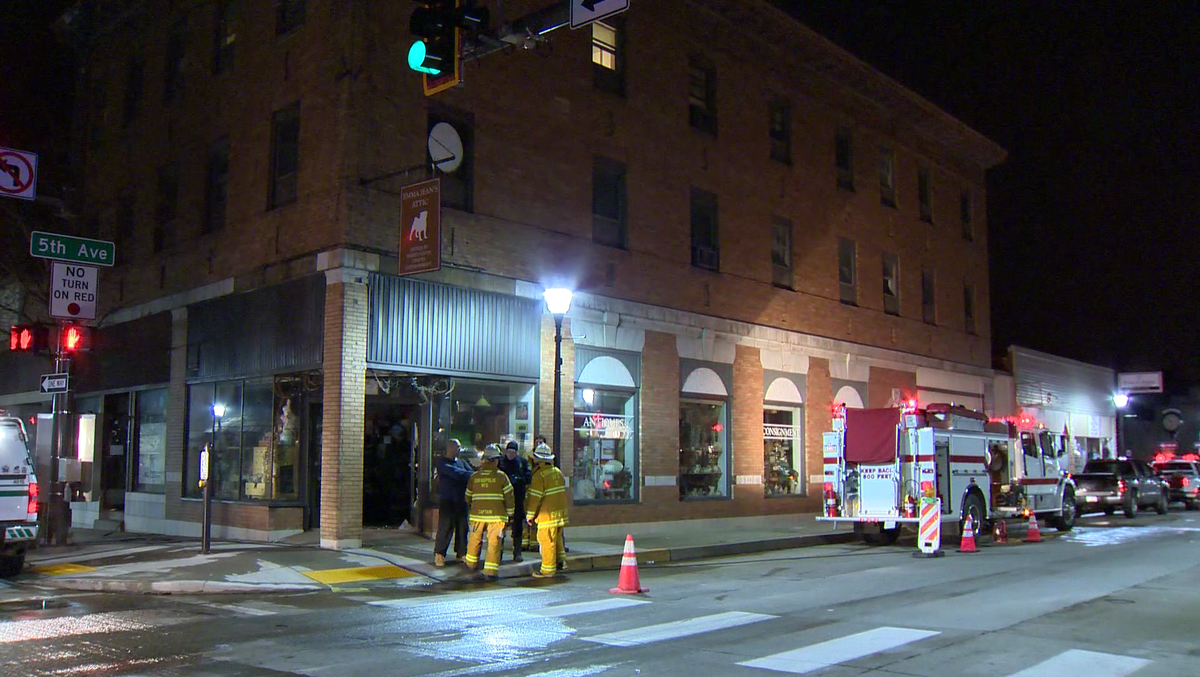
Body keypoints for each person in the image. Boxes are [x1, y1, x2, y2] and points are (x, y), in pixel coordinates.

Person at [463, 444, 515, 581]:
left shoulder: (474, 477)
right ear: (494, 460)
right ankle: (490, 571)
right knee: (494, 543)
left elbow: (467, 497)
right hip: (497, 517)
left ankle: (471, 563)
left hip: (477, 515)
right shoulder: (501, 477)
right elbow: (509, 497)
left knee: (474, 539)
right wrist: (510, 514)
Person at [526, 443, 569, 578]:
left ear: (537, 459)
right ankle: (561, 562)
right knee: (557, 540)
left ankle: (547, 570)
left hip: (547, 516)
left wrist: (530, 515)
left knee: (546, 541)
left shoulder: (539, 476)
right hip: (560, 514)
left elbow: (535, 499)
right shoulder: (557, 472)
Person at [433, 438, 474, 567]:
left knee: (462, 528)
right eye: (457, 447)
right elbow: (457, 474)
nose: (459, 450)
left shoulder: (462, 462)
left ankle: (461, 553)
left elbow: (471, 473)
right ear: (450, 448)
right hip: (448, 501)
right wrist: (467, 475)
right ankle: (439, 554)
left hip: (461, 500)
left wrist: (468, 475)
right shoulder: (441, 463)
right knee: (445, 528)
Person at [497, 439, 532, 562]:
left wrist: (519, 479)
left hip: (517, 499)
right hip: (502, 501)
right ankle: (497, 552)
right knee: (500, 527)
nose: (511, 454)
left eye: (513, 452)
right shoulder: (500, 462)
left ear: (517, 453)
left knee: (517, 527)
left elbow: (529, 477)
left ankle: (517, 552)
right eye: (509, 452)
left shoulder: (522, 463)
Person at [523, 434, 550, 552]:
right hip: (528, 490)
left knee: (534, 517)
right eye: (537, 442)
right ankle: (524, 542)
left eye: (541, 442)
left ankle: (534, 543)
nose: (539, 444)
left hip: (538, 490)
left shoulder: (546, 458)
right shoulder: (527, 457)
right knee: (526, 517)